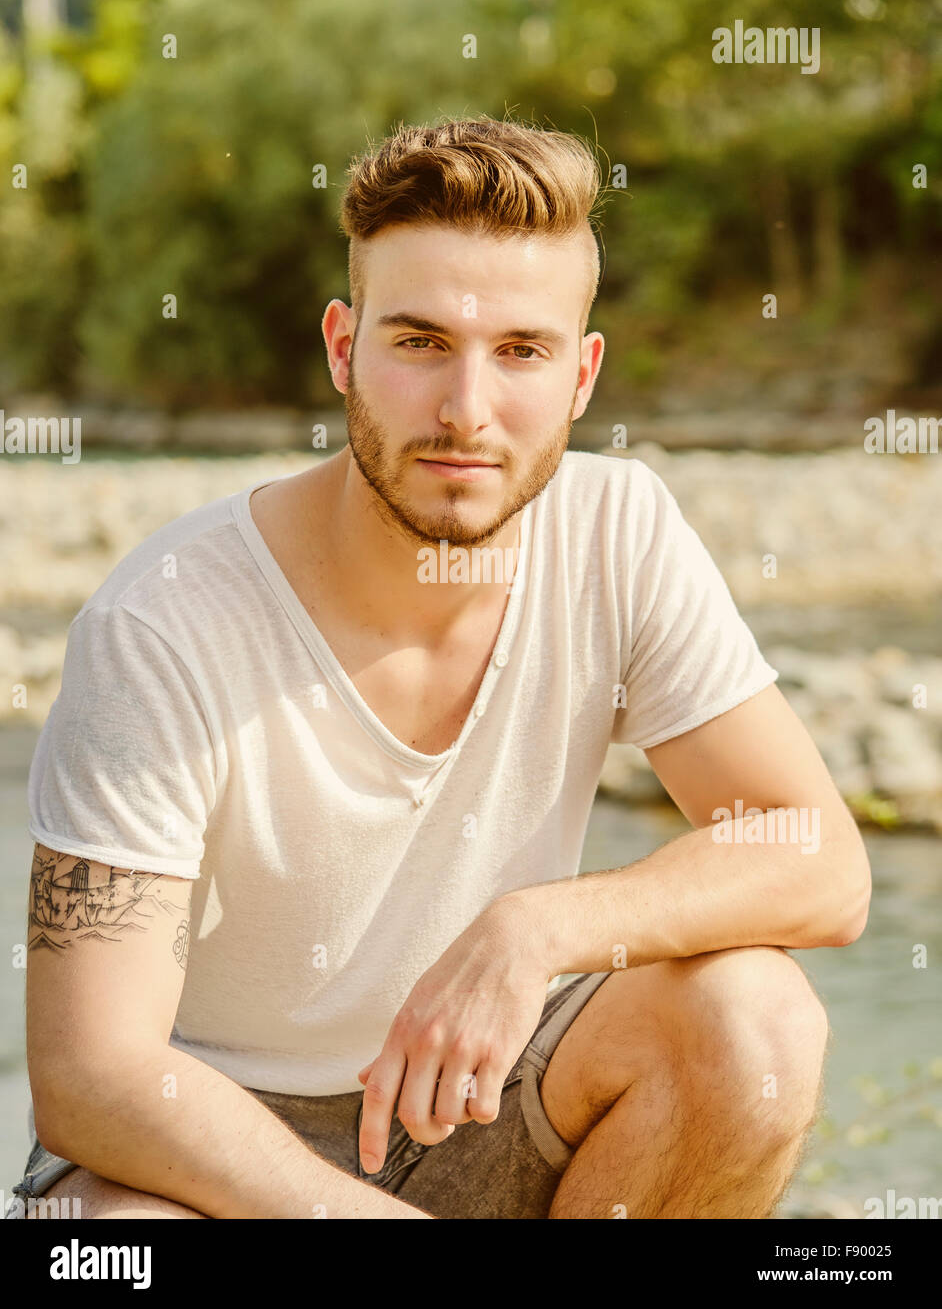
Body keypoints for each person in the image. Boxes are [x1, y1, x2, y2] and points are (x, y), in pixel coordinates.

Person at [9, 116, 870, 1221]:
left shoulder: (619, 531)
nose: (468, 408)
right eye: (419, 342)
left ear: (582, 374)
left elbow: (822, 863)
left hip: (477, 1113)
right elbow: (92, 1076)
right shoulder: (165, 623)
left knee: (756, 1018)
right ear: (341, 347)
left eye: (522, 351)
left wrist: (537, 928)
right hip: (209, 1156)